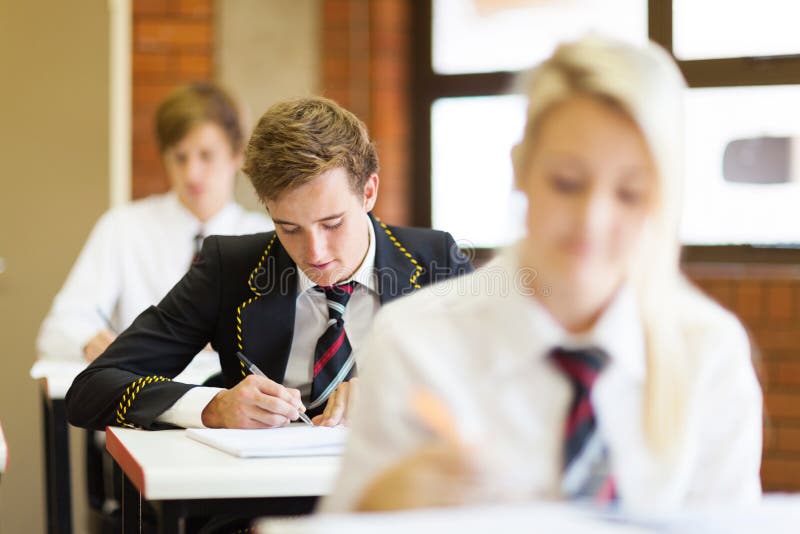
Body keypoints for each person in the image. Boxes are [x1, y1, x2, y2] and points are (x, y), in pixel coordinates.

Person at [322, 36, 763, 514]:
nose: (592, 221)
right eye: (567, 183)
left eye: (631, 192)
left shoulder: (708, 354)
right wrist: (384, 508)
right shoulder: (416, 344)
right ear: (521, 169)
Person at [65, 96, 473, 431]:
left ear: (368, 191)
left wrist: (402, 391)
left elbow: (505, 385)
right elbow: (91, 390)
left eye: (332, 224)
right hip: (263, 510)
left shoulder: (434, 259)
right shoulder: (232, 267)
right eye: (289, 227)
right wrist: (213, 407)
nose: (314, 253)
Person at [37, 82, 272, 364]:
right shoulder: (123, 227)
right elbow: (57, 330)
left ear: (237, 155)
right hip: (141, 399)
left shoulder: (266, 237)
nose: (192, 174)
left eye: (206, 156)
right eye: (179, 158)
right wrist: (89, 340)